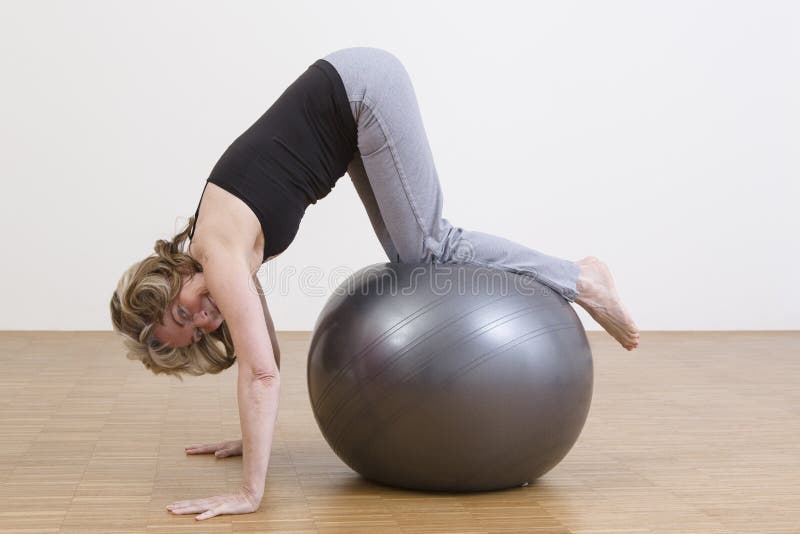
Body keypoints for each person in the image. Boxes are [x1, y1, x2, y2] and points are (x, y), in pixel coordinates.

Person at [110, 47, 639, 520]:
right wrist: (252, 441)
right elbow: (264, 348)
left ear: (169, 277)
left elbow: (262, 375)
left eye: (184, 313)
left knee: (432, 247)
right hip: (351, 103)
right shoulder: (215, 255)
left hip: (360, 91)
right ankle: (577, 277)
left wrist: (250, 494)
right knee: (416, 256)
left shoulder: (219, 254)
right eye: (199, 333)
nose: (205, 320)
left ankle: (581, 279)